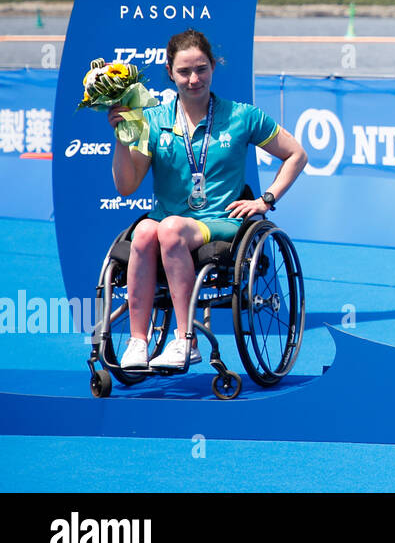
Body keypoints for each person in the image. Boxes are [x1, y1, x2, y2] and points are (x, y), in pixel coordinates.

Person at [108, 29, 307, 371]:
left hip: (220, 222)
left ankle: (186, 340)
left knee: (169, 230)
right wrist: (122, 139)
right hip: (165, 220)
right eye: (184, 71)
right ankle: (137, 342)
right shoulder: (152, 120)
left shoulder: (243, 116)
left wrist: (265, 200)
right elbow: (127, 186)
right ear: (170, 72)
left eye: (201, 68)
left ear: (214, 66)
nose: (194, 78)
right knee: (143, 233)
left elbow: (296, 155)